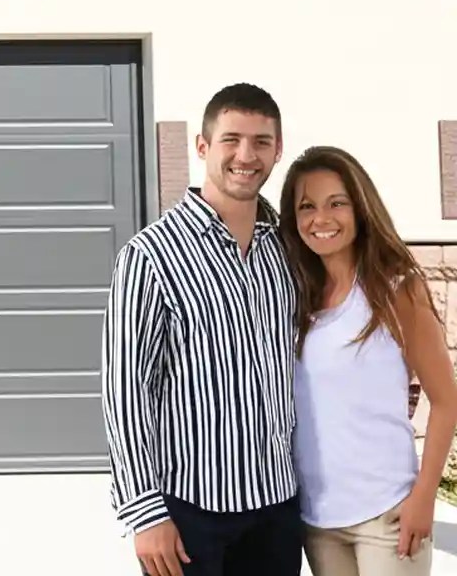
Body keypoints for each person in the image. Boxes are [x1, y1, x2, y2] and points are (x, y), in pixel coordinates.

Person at [101, 82, 303, 576]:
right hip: (189, 513)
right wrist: (144, 514)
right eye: (231, 139)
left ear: (278, 150)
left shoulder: (287, 252)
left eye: (260, 142)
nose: (245, 155)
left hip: (277, 506)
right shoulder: (150, 255)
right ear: (202, 146)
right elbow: (125, 392)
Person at [279, 145, 457, 575]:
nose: (321, 219)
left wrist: (422, 498)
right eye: (307, 206)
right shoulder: (295, 296)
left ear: (360, 208)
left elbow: (447, 401)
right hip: (318, 521)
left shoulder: (396, 289)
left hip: (389, 515)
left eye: (336, 203)